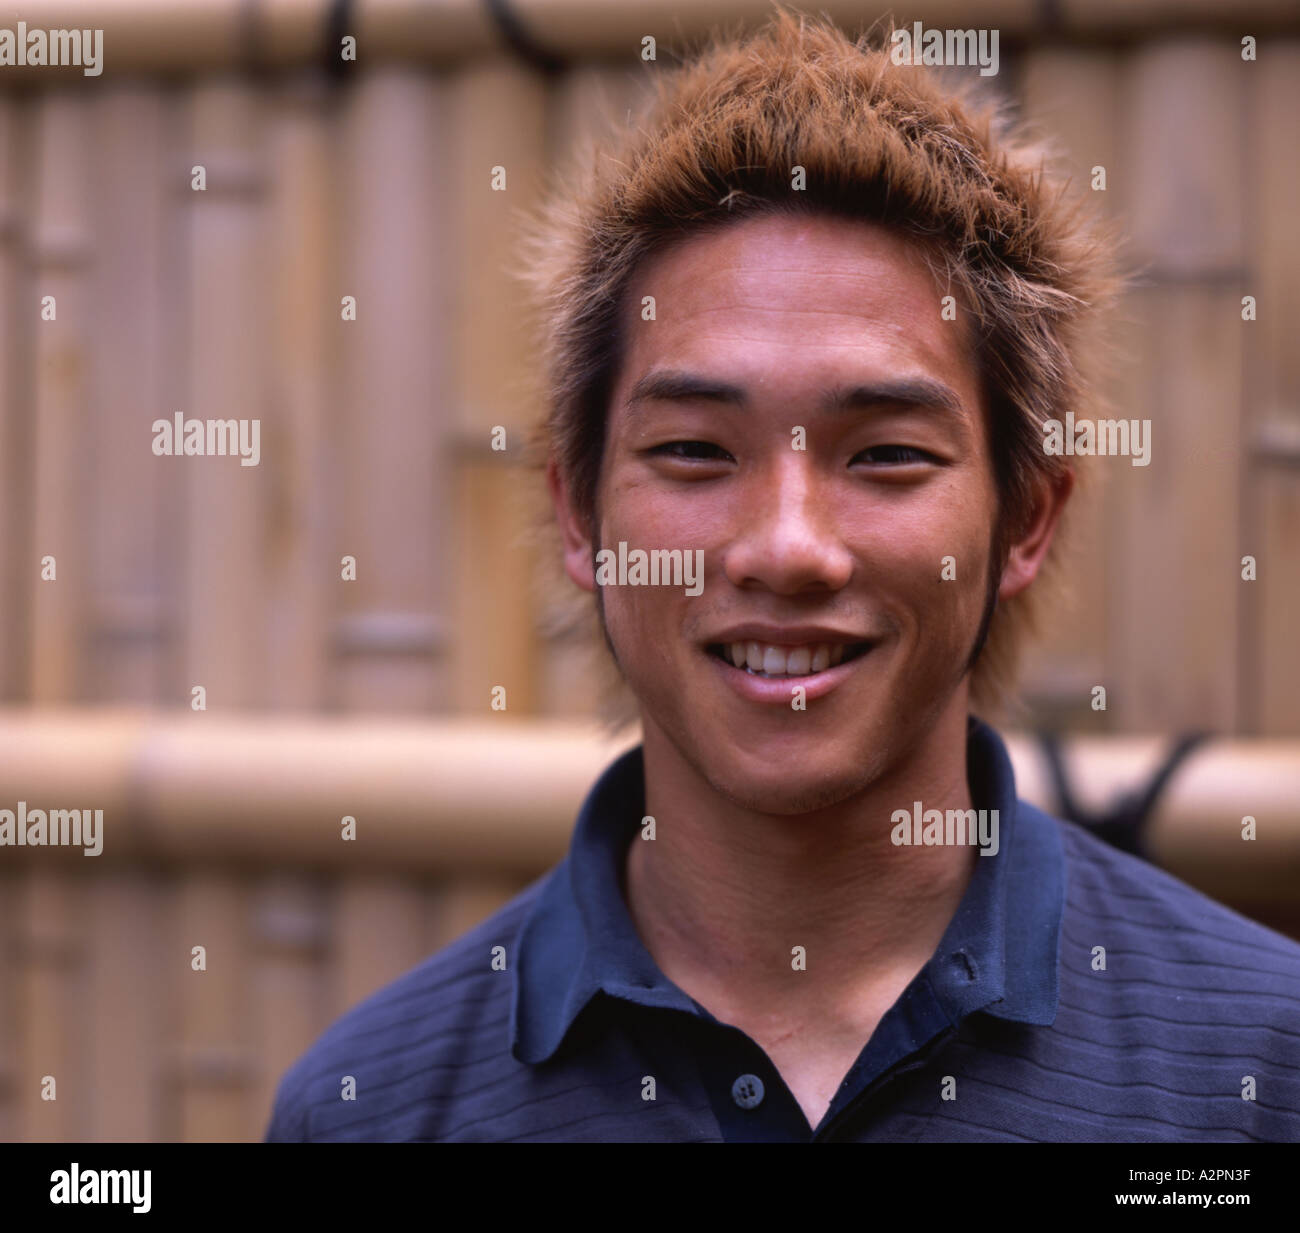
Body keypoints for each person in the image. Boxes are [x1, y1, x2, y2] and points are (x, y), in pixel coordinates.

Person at [266, 8, 1300, 1142]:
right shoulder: (375, 1109)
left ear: (1025, 518)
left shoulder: (1257, 1071)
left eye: (887, 455)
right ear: (578, 515)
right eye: (695, 451)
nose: (787, 547)